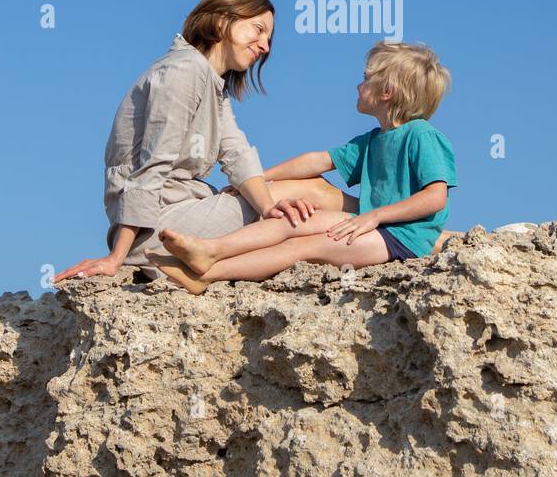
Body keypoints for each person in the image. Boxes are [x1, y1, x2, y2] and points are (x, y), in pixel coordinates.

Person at [53, 0, 336, 284]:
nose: (265, 46)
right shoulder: (185, 70)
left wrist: (268, 208)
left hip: (180, 215)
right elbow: (153, 166)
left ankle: (380, 227)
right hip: (157, 229)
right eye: (258, 29)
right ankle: (386, 226)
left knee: (292, 205)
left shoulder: (213, 84)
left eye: (269, 37)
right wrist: (116, 258)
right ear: (222, 20)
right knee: (311, 189)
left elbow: (237, 154)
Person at [158, 40, 459, 294]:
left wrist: (375, 217)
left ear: (387, 92)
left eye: (366, 79)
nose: (359, 84)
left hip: (401, 238)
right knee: (291, 221)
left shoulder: (422, 135)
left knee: (303, 247)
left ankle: (206, 276)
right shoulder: (374, 140)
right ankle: (211, 249)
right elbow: (318, 161)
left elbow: (435, 198)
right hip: (373, 222)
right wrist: (257, 179)